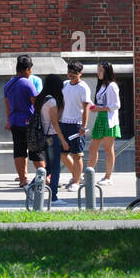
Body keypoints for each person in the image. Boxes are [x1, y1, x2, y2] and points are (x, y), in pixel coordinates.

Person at [3, 54, 37, 187]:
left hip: (14, 121)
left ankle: (23, 179)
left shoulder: (8, 84)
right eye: (30, 69)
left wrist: (8, 120)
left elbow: (7, 105)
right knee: (35, 150)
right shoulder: (27, 83)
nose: (31, 72)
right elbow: (35, 102)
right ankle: (46, 178)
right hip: (28, 121)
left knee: (19, 150)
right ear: (27, 69)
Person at [87, 61, 122, 186]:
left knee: (108, 149)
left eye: (101, 70)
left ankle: (108, 177)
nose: (98, 73)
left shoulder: (112, 85)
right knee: (92, 148)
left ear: (107, 71)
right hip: (100, 118)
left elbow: (116, 105)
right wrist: (95, 107)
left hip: (109, 120)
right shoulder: (101, 85)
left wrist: (99, 108)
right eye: (98, 70)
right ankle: (88, 175)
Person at [59, 60, 91, 189]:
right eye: (69, 72)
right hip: (64, 123)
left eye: (74, 73)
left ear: (80, 73)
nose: (71, 75)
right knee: (63, 153)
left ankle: (77, 182)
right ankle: (77, 176)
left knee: (77, 154)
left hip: (77, 124)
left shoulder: (83, 87)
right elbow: (61, 104)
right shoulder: (65, 84)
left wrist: (84, 126)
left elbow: (86, 107)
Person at [35, 73, 66, 202]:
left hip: (45, 136)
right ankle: (53, 196)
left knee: (47, 167)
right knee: (55, 168)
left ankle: (32, 187)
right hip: (52, 137)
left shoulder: (42, 99)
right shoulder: (52, 101)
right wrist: (63, 140)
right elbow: (55, 122)